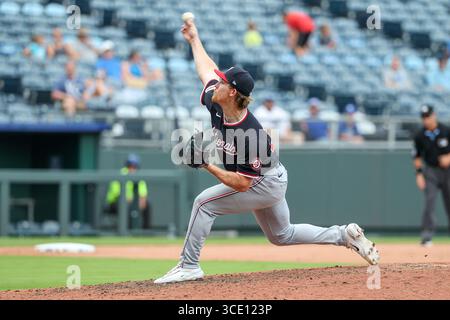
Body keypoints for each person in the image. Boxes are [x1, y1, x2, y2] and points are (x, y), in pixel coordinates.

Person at [153, 17, 379, 284]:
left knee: (204, 203)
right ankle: (343, 235)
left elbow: (242, 184)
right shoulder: (217, 100)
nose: (217, 82)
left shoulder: (251, 134)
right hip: (270, 176)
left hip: (263, 182)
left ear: (233, 93)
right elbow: (207, 69)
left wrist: (207, 165)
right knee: (281, 235)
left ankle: (189, 265)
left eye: (223, 82)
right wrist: (194, 39)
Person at [412, 105, 450, 246]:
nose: (426, 120)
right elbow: (416, 157)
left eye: (428, 116)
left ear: (434, 115)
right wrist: (419, 174)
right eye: (423, 117)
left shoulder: (446, 130)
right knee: (430, 203)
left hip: (448, 171)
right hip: (431, 171)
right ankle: (427, 235)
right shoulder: (420, 135)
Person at [106, 154, 151, 229]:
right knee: (126, 206)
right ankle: (125, 230)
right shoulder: (121, 174)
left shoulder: (139, 176)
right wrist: (128, 199)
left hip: (133, 202)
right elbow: (115, 193)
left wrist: (142, 201)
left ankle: (145, 231)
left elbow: (143, 194)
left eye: (134, 166)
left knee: (147, 205)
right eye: (130, 165)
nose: (132, 168)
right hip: (115, 203)